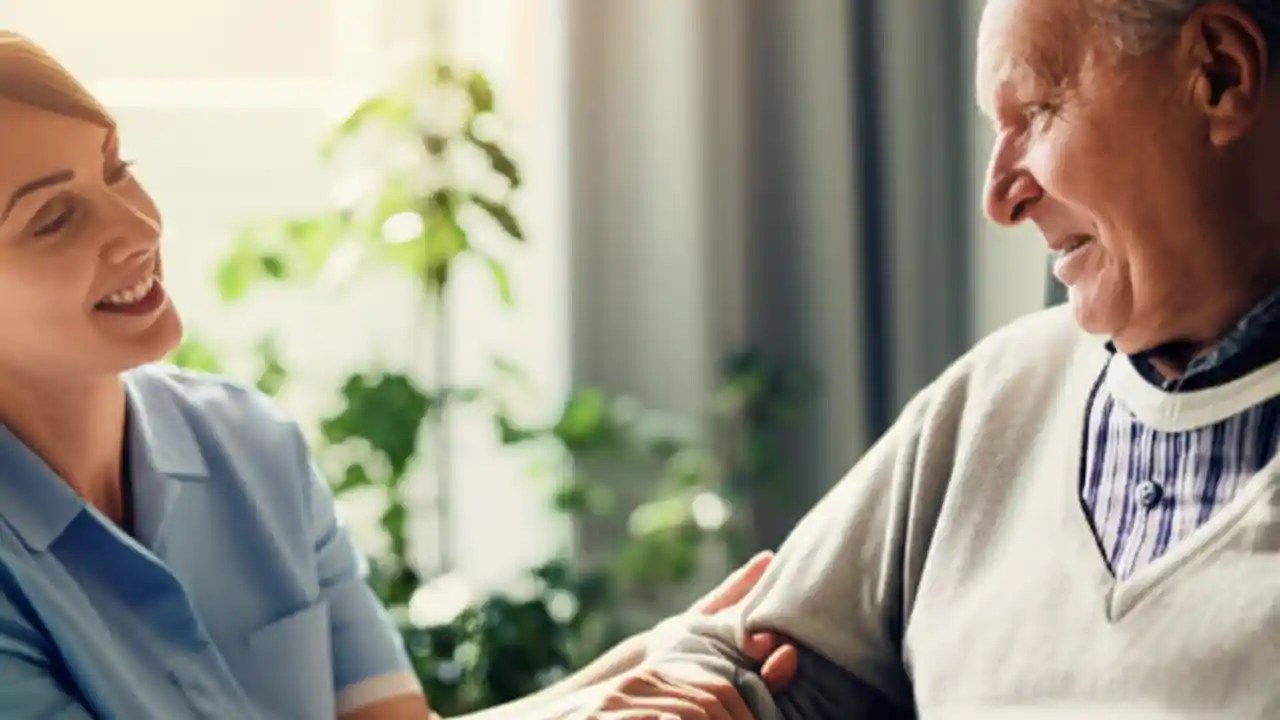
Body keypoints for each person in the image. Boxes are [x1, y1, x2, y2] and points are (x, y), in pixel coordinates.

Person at [0, 31, 796, 720]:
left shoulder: (248, 443)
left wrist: (631, 664)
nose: (137, 228)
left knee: (908, 470)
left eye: (116, 168)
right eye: (53, 218)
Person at [566, 0, 1280, 717]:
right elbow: (741, 667)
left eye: (1034, 112)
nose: (999, 200)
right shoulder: (999, 396)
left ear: (1219, 73)